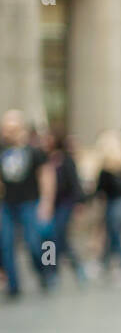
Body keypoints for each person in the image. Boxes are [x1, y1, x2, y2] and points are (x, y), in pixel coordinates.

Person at [0, 110, 56, 298]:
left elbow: (46, 176)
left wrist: (46, 203)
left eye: (13, 128)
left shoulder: (34, 151)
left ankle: (44, 271)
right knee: (6, 243)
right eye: (6, 128)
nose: (9, 132)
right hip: (6, 204)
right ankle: (13, 285)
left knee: (34, 242)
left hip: (30, 202)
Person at [95, 129, 121, 282]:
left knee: (117, 235)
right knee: (114, 235)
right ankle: (104, 263)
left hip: (116, 203)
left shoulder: (112, 167)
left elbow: (102, 188)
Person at [47, 131, 86, 285]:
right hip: (51, 204)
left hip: (65, 203)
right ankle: (54, 269)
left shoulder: (66, 160)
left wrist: (79, 202)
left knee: (59, 236)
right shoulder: (45, 158)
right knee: (54, 239)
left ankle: (69, 267)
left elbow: (74, 181)